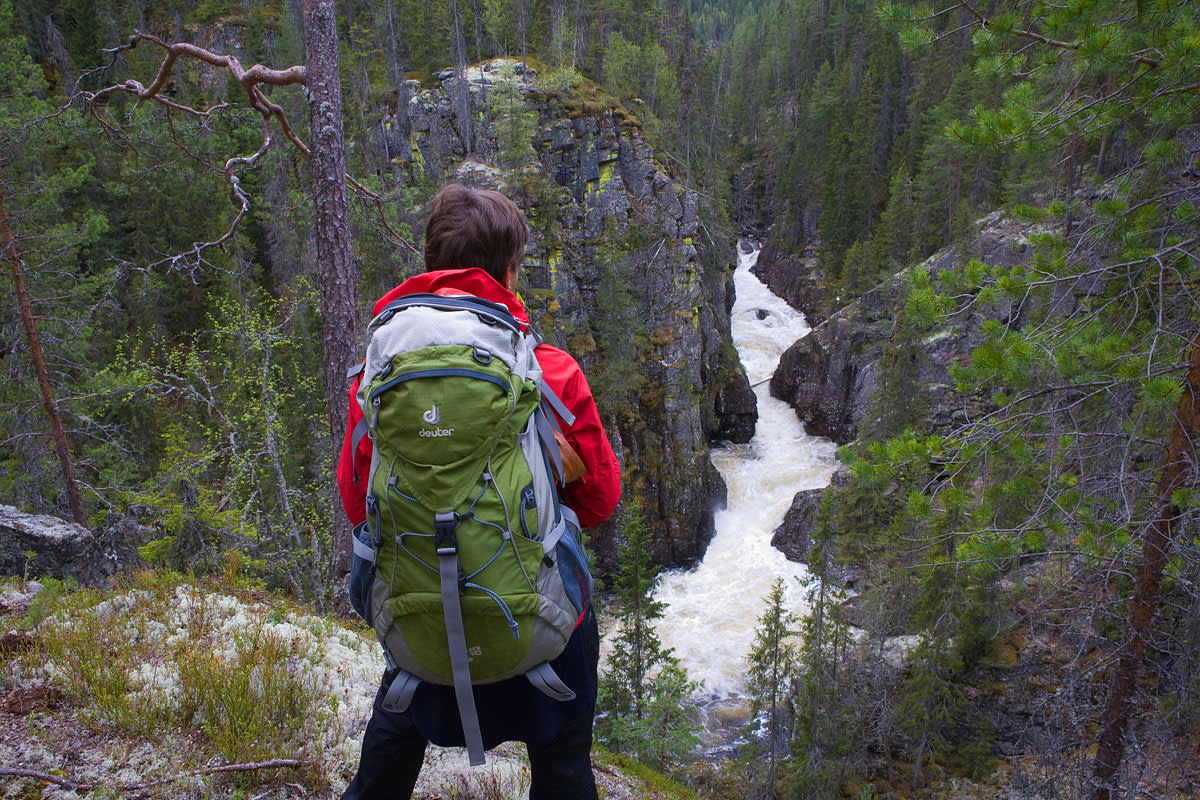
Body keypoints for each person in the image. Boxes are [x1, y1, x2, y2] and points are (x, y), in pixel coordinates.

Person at [337, 182, 622, 800]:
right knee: (566, 766)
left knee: (388, 747)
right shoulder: (549, 372)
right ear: (510, 273)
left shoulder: (378, 377)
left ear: (430, 264)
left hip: (422, 636)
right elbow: (601, 501)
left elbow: (358, 505)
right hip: (538, 634)